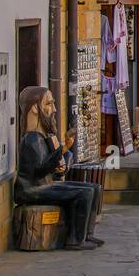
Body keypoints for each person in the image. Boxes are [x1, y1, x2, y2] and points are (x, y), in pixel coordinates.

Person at [15, 87, 104, 250]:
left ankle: (86, 234)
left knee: (95, 188)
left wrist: (65, 158)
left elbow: (56, 169)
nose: (54, 109)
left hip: (46, 184)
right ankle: (75, 240)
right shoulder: (31, 140)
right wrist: (62, 150)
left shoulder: (44, 137)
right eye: (49, 104)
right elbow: (39, 171)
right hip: (32, 189)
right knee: (85, 192)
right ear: (35, 108)